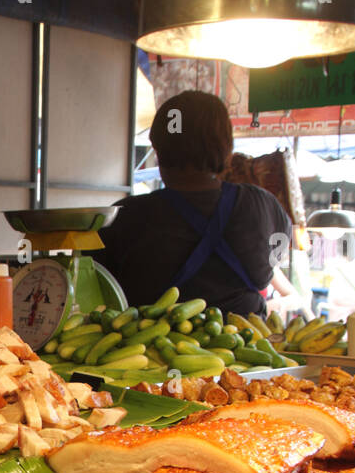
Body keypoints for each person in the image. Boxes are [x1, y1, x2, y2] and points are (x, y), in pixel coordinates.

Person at [96, 91, 292, 316]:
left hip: (149, 348)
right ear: (226, 149)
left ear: (160, 152)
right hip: (247, 345)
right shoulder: (261, 206)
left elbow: (98, 290)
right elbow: (271, 265)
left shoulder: (124, 217)